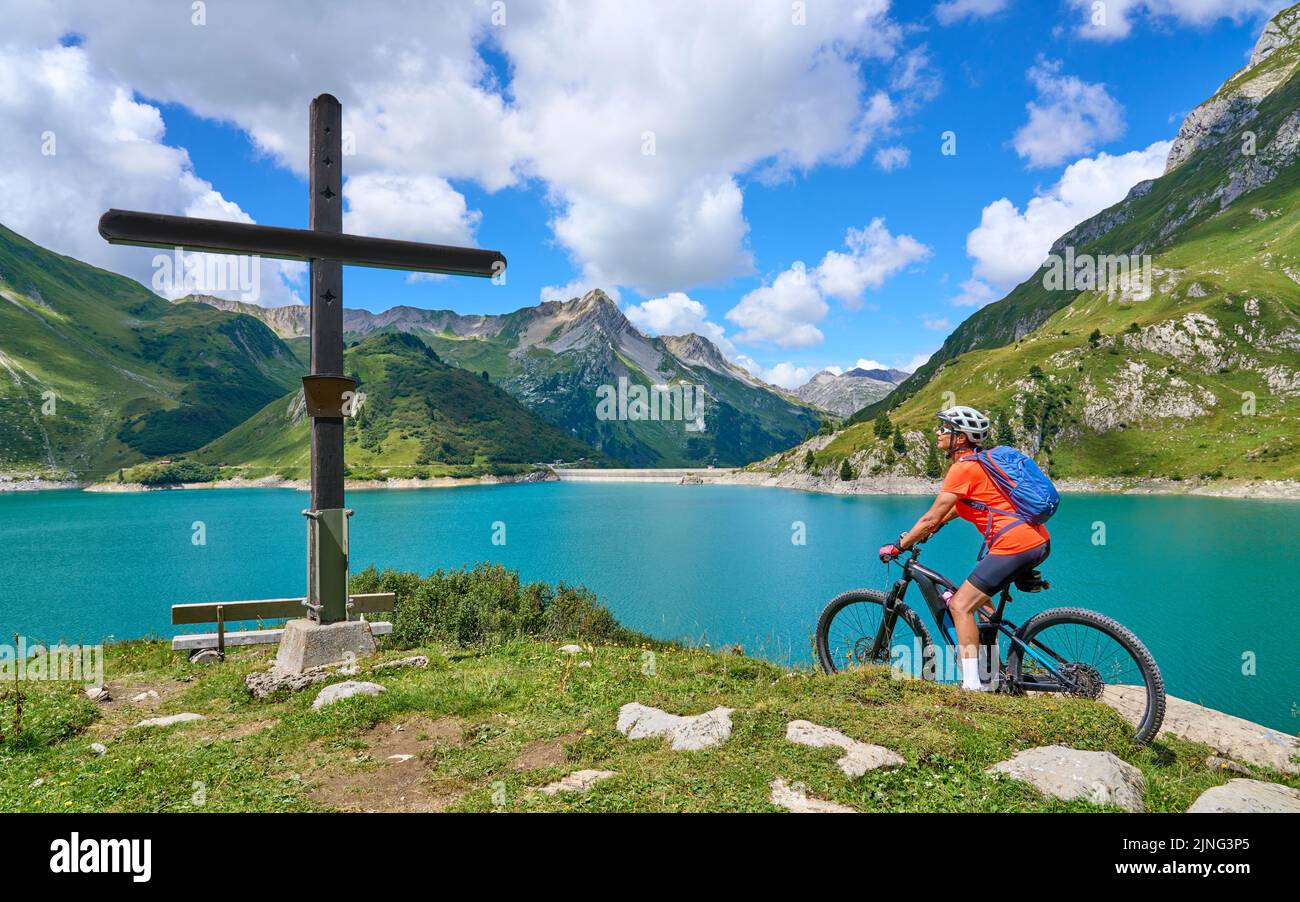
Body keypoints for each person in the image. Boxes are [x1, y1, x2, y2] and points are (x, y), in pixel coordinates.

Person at [877, 405, 1050, 691]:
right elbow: (963, 506)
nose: (938, 433)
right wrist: (937, 527)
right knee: (980, 599)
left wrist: (899, 546)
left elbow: (931, 515)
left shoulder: (962, 468)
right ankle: (991, 669)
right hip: (1036, 540)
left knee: (959, 604)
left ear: (960, 438)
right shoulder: (980, 464)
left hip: (1014, 545)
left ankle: (972, 686)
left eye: (944, 429)